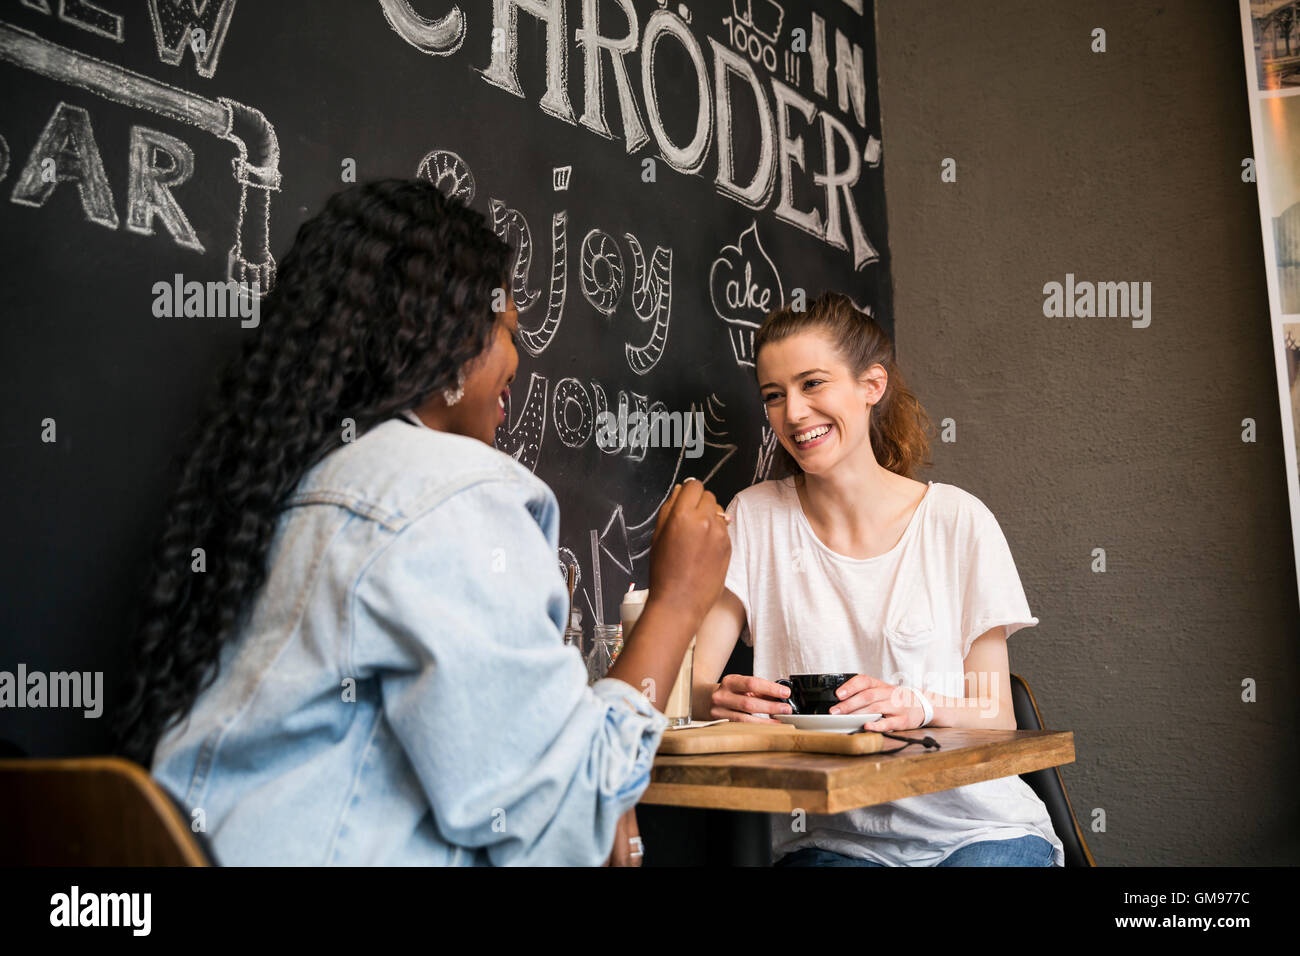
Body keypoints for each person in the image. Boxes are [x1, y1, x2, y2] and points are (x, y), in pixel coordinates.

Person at [113, 179, 730, 866]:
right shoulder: (442, 490)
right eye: (508, 333)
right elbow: (565, 830)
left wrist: (600, 793)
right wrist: (677, 601)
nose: (517, 366)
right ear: (448, 336)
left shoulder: (287, 485)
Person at [691, 292, 1064, 867]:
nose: (792, 413)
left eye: (812, 384)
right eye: (773, 396)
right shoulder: (754, 517)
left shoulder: (957, 520)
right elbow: (690, 690)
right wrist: (718, 699)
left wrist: (915, 703)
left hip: (979, 830)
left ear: (871, 385)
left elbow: (996, 712)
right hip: (836, 842)